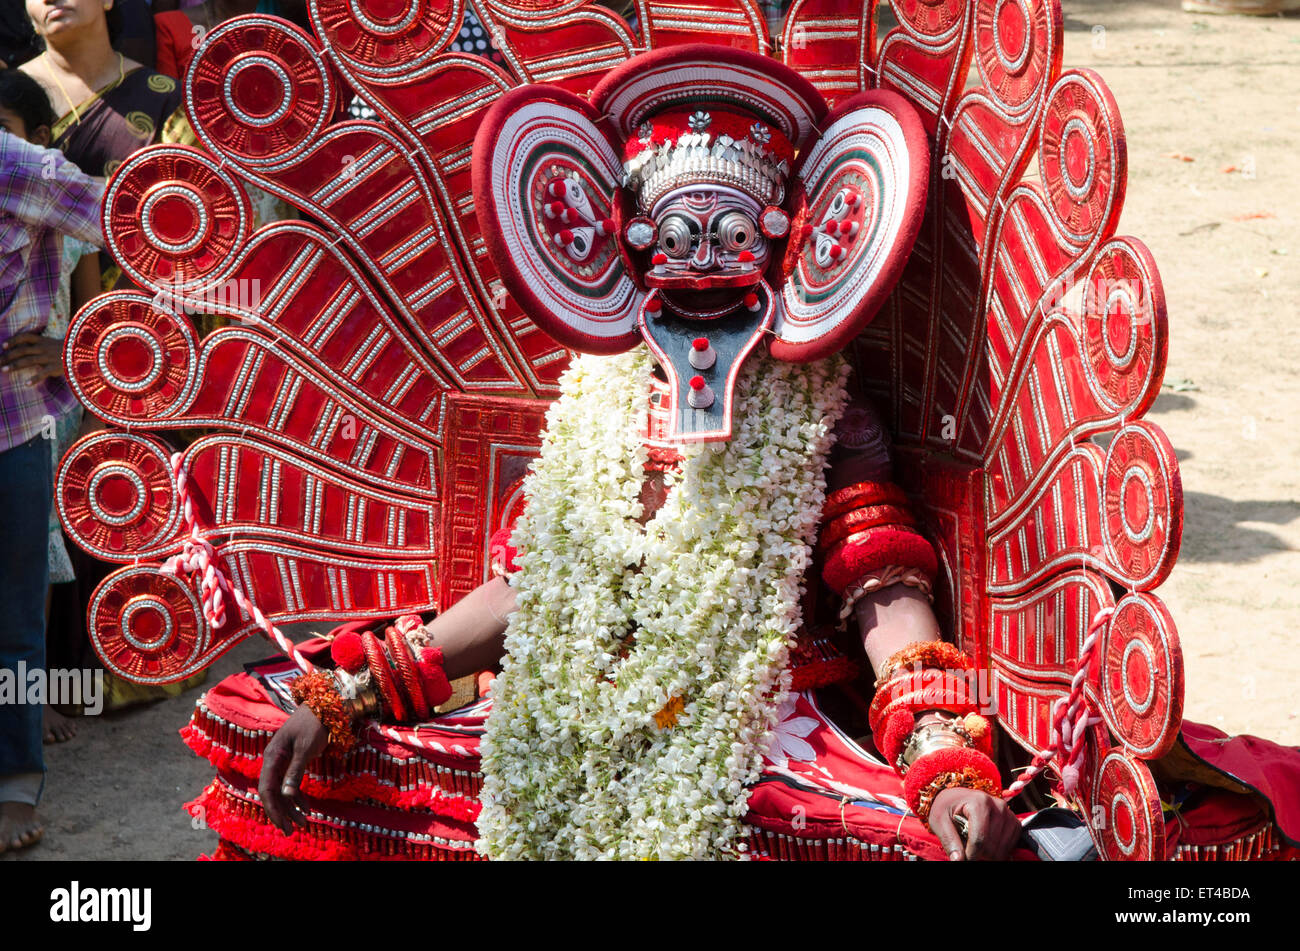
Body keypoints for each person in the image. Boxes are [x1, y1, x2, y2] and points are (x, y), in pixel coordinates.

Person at [0, 115, 105, 854]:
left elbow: (150, 233)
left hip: (7, 431)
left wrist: (77, 349)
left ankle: (12, 784)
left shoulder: (23, 169)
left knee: (13, 621)